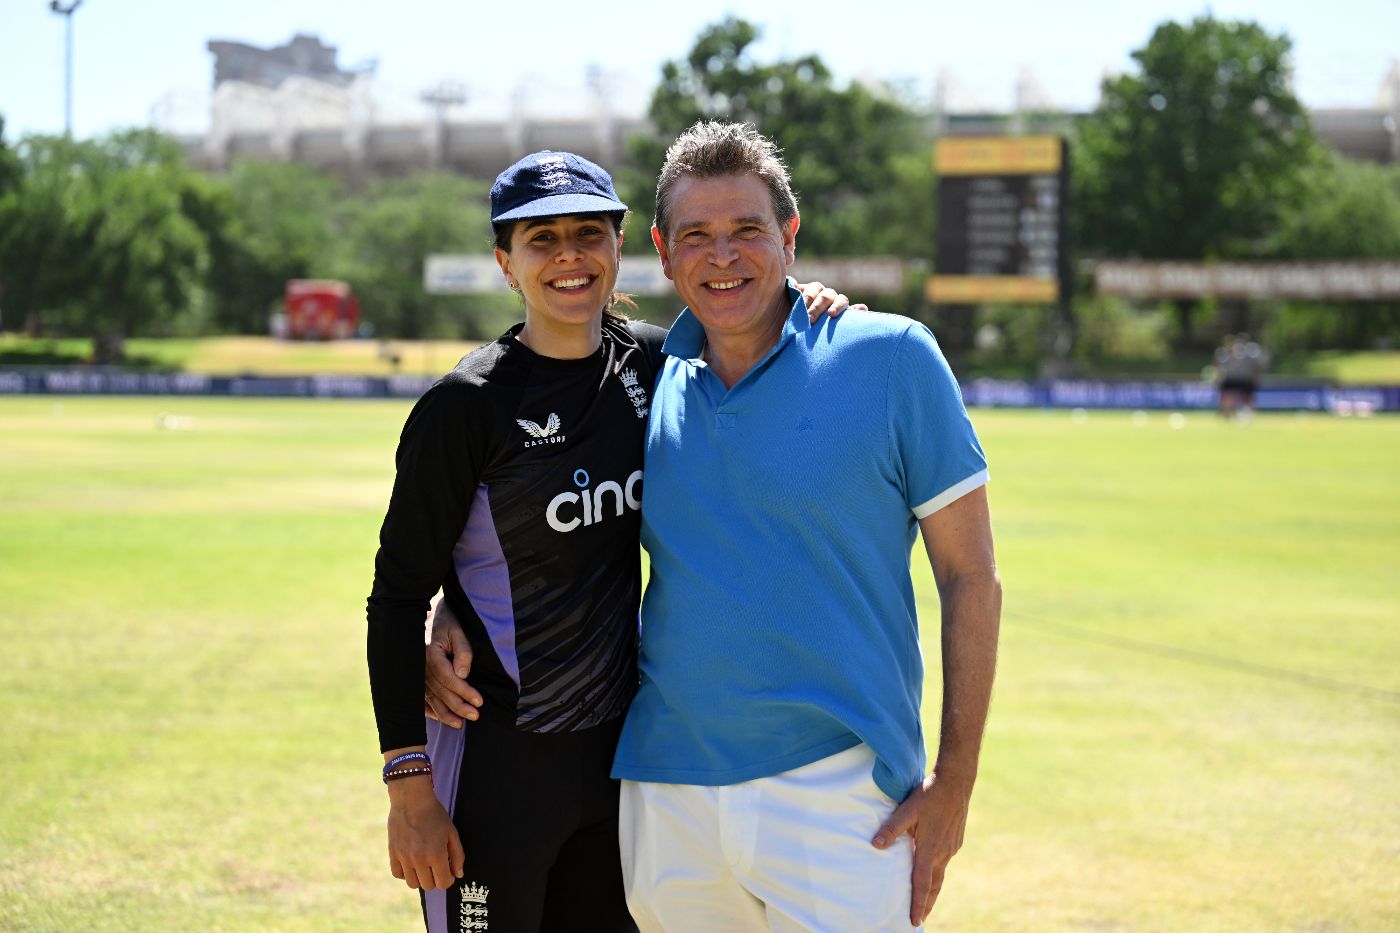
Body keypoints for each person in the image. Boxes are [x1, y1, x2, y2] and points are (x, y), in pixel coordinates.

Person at [431, 122, 1002, 931]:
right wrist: (449, 606)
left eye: (747, 231)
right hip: (667, 792)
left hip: (841, 789)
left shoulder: (893, 357)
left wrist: (956, 780)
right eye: (696, 236)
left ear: (790, 236)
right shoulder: (650, 377)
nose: (722, 256)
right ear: (663, 254)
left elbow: (971, 576)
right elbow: (540, 517)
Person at [366, 148, 853, 933]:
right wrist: (408, 789)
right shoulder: (465, 406)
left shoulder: (659, 364)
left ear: (618, 247)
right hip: (496, 767)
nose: (568, 257)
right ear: (505, 261)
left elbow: (752, 320)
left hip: (621, 766)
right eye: (541, 239)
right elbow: (394, 598)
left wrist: (811, 300)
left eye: (588, 233)